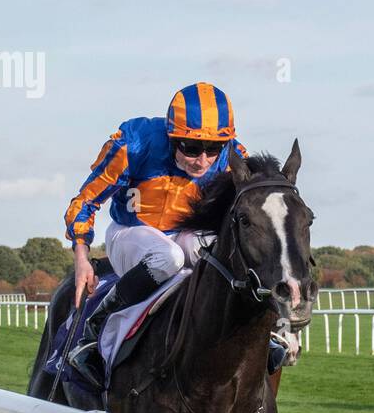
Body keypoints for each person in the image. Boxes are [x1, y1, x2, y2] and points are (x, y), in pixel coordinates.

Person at [62, 82, 250, 387]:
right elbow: (86, 201)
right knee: (169, 257)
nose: (202, 160)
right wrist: (82, 259)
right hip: (130, 233)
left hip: (185, 233)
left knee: (217, 254)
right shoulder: (135, 143)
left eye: (213, 149)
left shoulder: (233, 154)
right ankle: (95, 329)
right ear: (172, 136)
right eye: (191, 148)